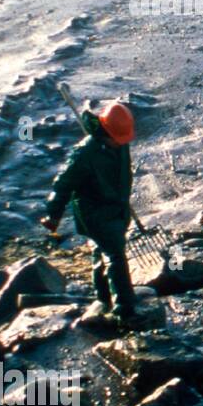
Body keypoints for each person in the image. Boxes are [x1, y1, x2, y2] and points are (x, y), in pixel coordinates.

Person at [41, 101, 139, 322]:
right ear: (107, 132)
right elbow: (63, 184)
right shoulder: (84, 155)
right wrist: (53, 214)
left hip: (116, 208)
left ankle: (103, 297)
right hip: (95, 214)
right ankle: (125, 310)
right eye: (118, 139)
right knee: (115, 256)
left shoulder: (119, 143)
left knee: (99, 251)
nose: (122, 143)